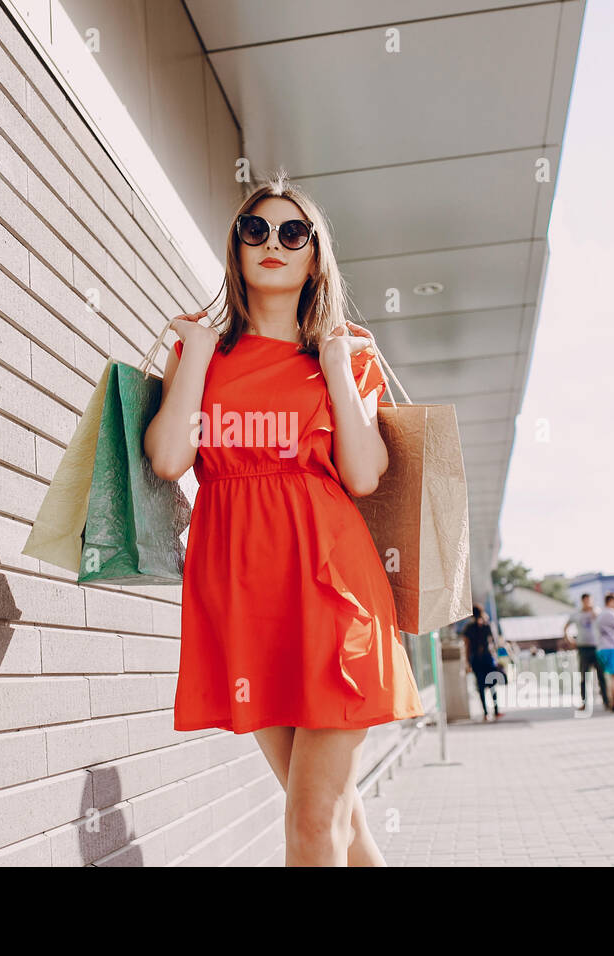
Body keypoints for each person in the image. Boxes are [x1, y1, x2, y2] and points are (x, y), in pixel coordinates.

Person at [144, 173, 424, 867]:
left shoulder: (344, 350)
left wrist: (332, 363)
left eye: (293, 233)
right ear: (235, 249)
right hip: (243, 600)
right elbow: (170, 458)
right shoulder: (201, 352)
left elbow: (362, 474)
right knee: (340, 823)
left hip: (332, 594)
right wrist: (201, 353)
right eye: (255, 230)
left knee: (309, 826)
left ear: (314, 254)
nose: (274, 243)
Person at [563, 592, 606, 712]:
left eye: (590, 600)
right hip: (583, 647)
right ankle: (584, 702)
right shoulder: (577, 614)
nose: (588, 603)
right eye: (586, 601)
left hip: (597, 647)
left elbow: (601, 622)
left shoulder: (596, 612)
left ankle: (606, 701)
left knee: (601, 676)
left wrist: (593, 611)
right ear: (582, 601)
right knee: (584, 676)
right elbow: (566, 627)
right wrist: (570, 640)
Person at [461, 606, 505, 721]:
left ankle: (485, 713)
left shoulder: (468, 628)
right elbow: (494, 644)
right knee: (492, 685)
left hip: (476, 659)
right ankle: (496, 711)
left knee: (480, 686)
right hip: (487, 658)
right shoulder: (487, 626)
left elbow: (467, 647)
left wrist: (467, 662)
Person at [593, 592, 614, 711]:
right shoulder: (610, 613)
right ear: (610, 601)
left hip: (604, 647)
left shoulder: (602, 614)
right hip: (610, 648)